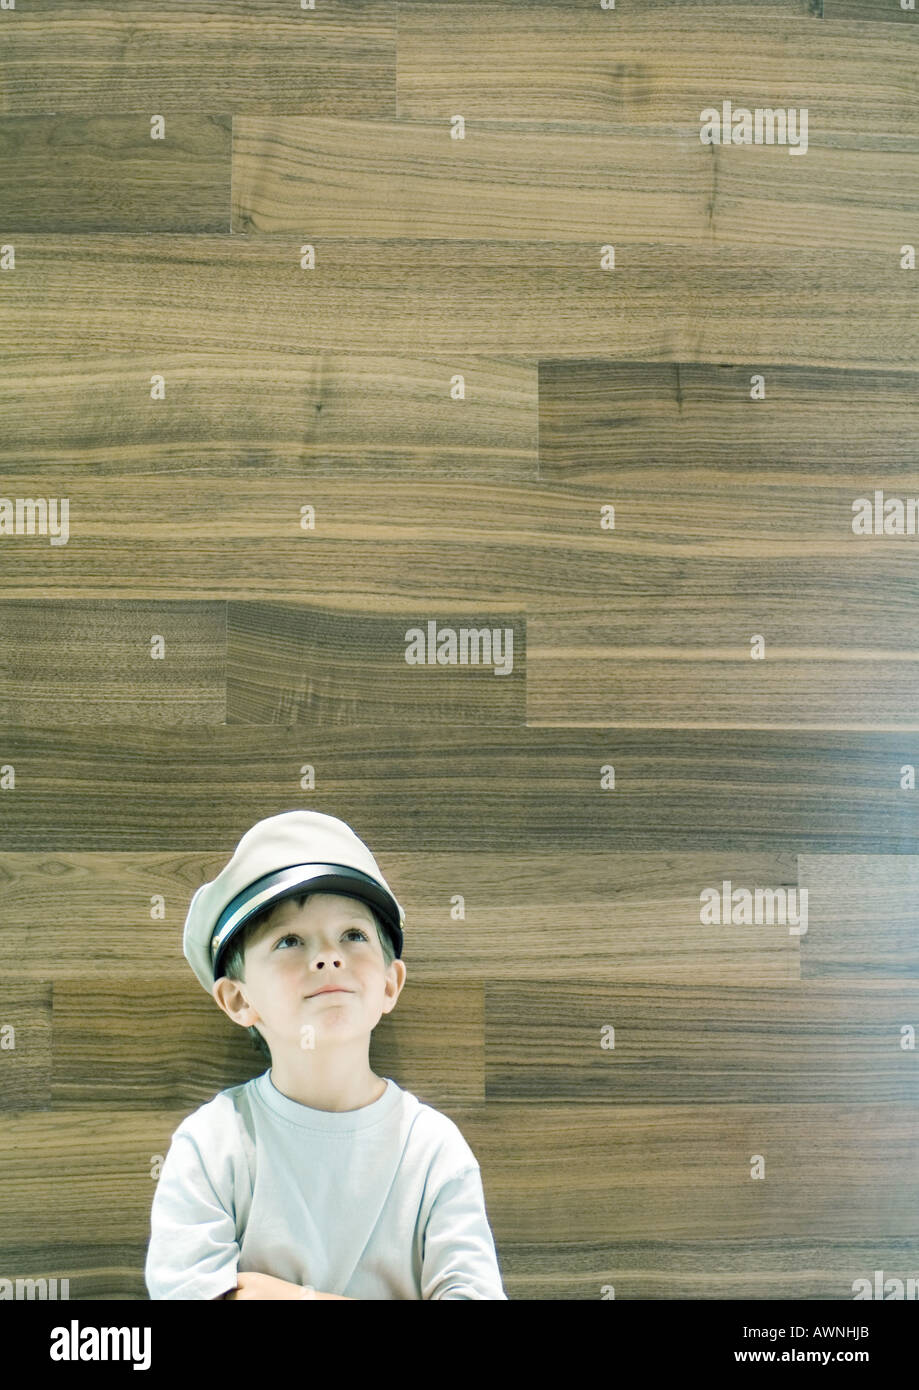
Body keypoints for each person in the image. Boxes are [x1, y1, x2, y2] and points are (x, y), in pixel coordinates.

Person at [144, 808, 508, 1300]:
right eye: (289, 940)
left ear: (389, 984)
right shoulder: (212, 1145)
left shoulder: (433, 1151)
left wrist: (283, 1295)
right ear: (239, 999)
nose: (328, 957)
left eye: (353, 936)